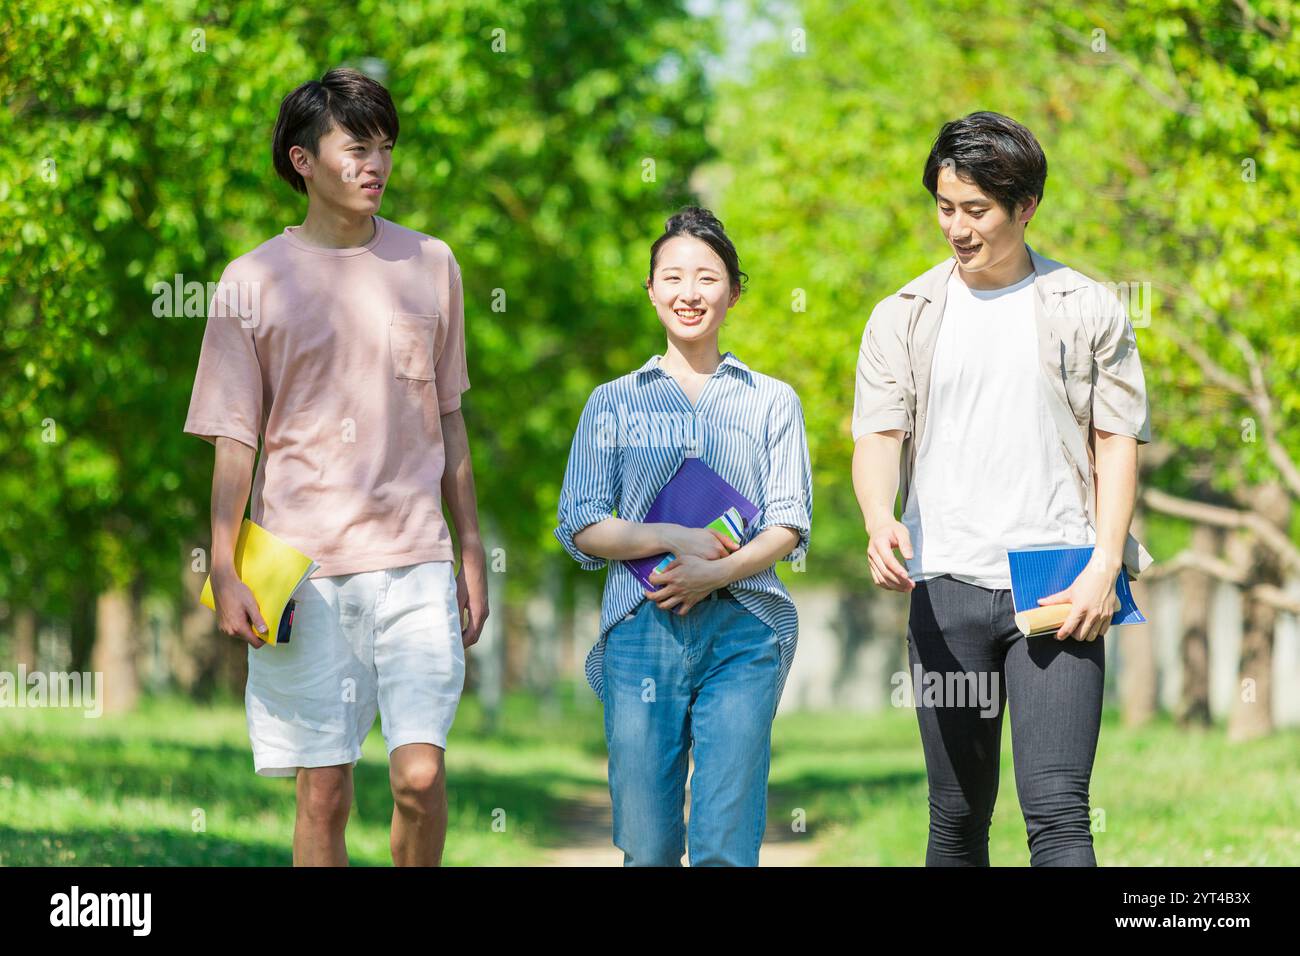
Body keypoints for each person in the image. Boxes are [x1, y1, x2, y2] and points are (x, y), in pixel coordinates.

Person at [182, 67, 488, 866]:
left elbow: (450, 420)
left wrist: (470, 554)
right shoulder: (252, 282)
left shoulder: (432, 265)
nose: (375, 164)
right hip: (303, 568)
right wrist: (224, 565)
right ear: (302, 160)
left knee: (419, 776)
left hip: (415, 559)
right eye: (356, 147)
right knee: (323, 792)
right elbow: (232, 439)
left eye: (385, 148)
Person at [851, 111, 1152, 866]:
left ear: (1026, 206)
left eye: (977, 209)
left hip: (1057, 579)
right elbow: (879, 436)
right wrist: (878, 518)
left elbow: (1114, 441)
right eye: (946, 207)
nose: (957, 226)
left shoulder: (1085, 307)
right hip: (945, 580)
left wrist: (1104, 565)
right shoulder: (903, 315)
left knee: (1057, 813)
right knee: (955, 818)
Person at [555, 207, 813, 866]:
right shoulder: (613, 401)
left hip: (743, 628)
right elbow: (582, 521)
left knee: (726, 841)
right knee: (647, 846)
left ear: (734, 289)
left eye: (706, 277)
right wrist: (677, 537)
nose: (688, 293)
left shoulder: (771, 400)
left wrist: (716, 572)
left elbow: (788, 519)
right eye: (672, 278)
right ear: (650, 290)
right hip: (643, 632)